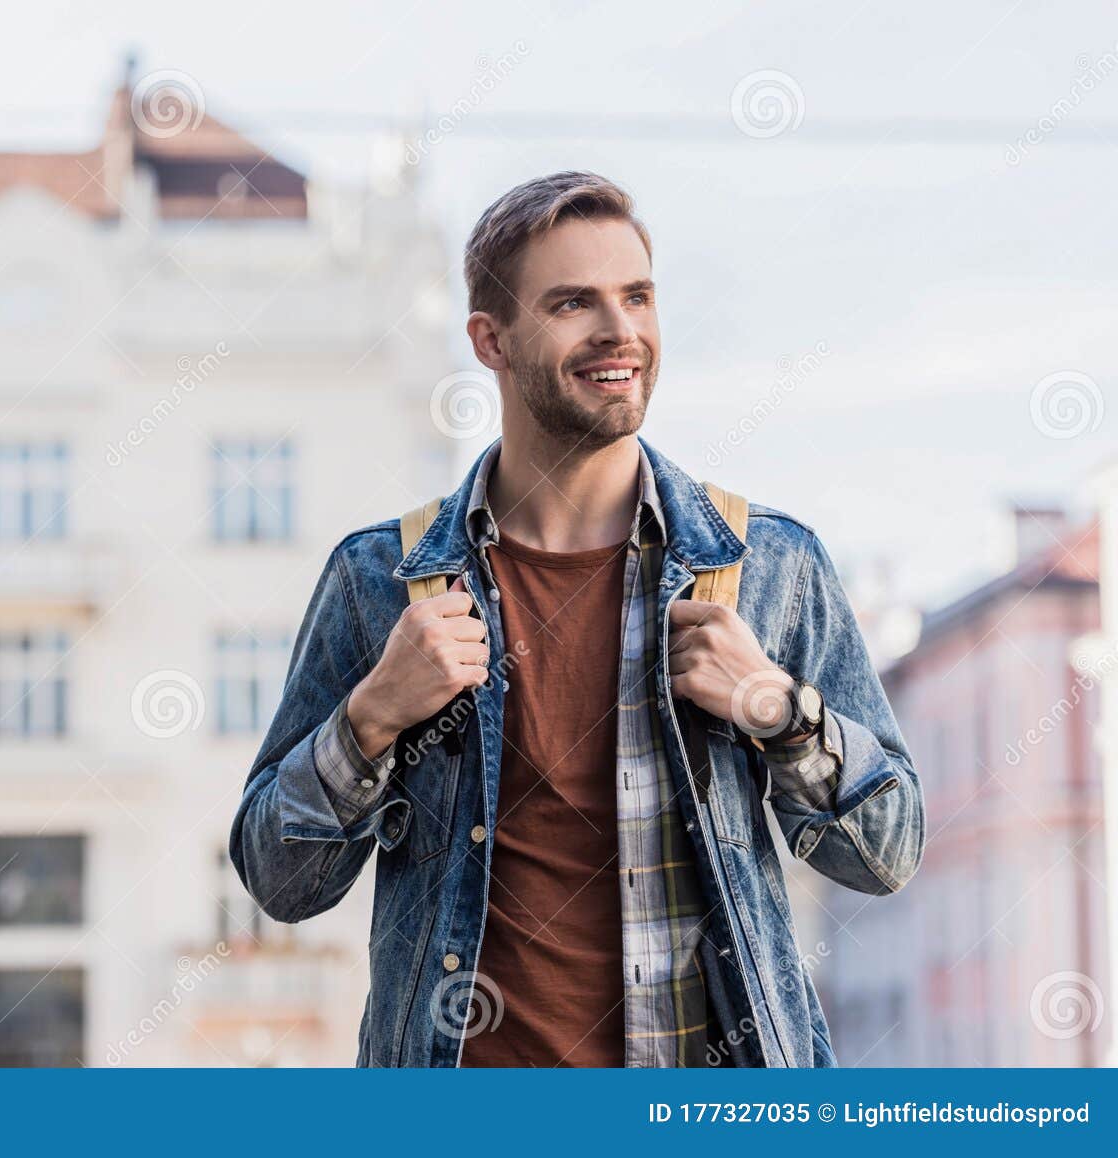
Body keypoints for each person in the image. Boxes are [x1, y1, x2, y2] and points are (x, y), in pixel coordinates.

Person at [229, 171, 924, 1067]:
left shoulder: (767, 567)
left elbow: (887, 854)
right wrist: (368, 723)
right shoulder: (381, 580)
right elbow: (280, 884)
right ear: (492, 341)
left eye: (637, 297)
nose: (619, 331)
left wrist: (779, 711)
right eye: (573, 304)